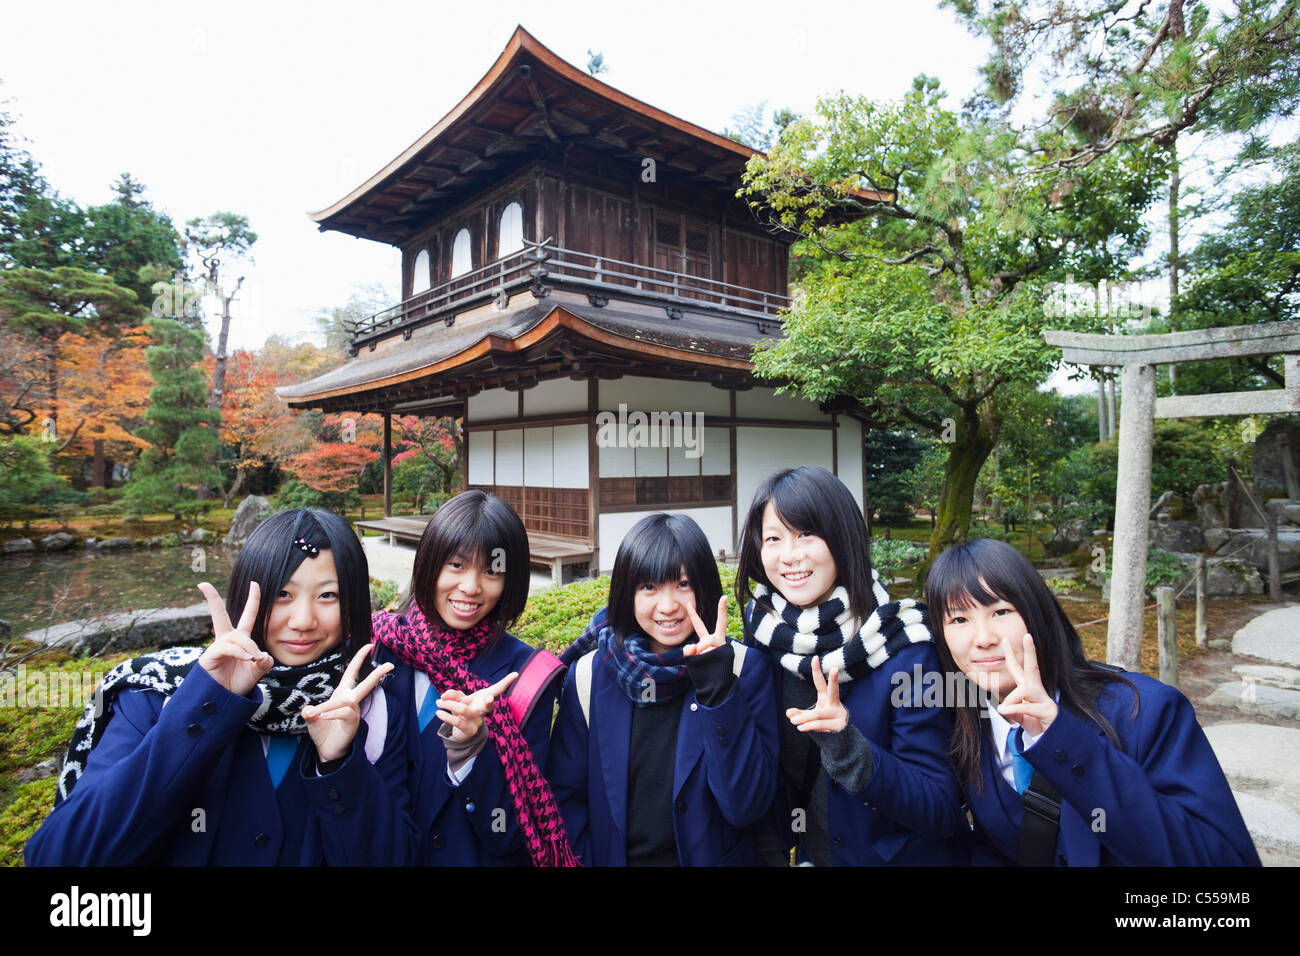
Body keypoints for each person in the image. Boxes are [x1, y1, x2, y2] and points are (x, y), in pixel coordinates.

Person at [26, 508, 415, 866]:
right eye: (282, 594)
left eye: (328, 595)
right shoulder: (158, 692)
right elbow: (61, 857)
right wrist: (205, 704)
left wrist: (339, 765)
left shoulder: (371, 708)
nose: (303, 620)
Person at [927, 537, 1261, 866]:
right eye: (959, 619)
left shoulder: (1144, 710)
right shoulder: (963, 727)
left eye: (1000, 611)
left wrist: (1063, 742)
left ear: (1038, 613)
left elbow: (1221, 857)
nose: (983, 639)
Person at [738, 466, 963, 865]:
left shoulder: (906, 648)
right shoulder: (763, 638)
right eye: (774, 538)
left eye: (806, 533)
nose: (790, 555)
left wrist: (848, 747)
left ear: (843, 537)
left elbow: (940, 809)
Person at [548, 512, 777, 866]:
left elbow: (747, 806)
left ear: (705, 587)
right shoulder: (589, 676)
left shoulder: (744, 670)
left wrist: (718, 691)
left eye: (683, 584)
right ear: (627, 593)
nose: (668, 606)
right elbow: (565, 797)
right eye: (649, 587)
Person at [370, 489, 576, 867]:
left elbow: (511, 833)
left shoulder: (526, 676)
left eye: (491, 570)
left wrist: (472, 752)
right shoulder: (380, 648)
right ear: (429, 563)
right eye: (456, 565)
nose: (471, 587)